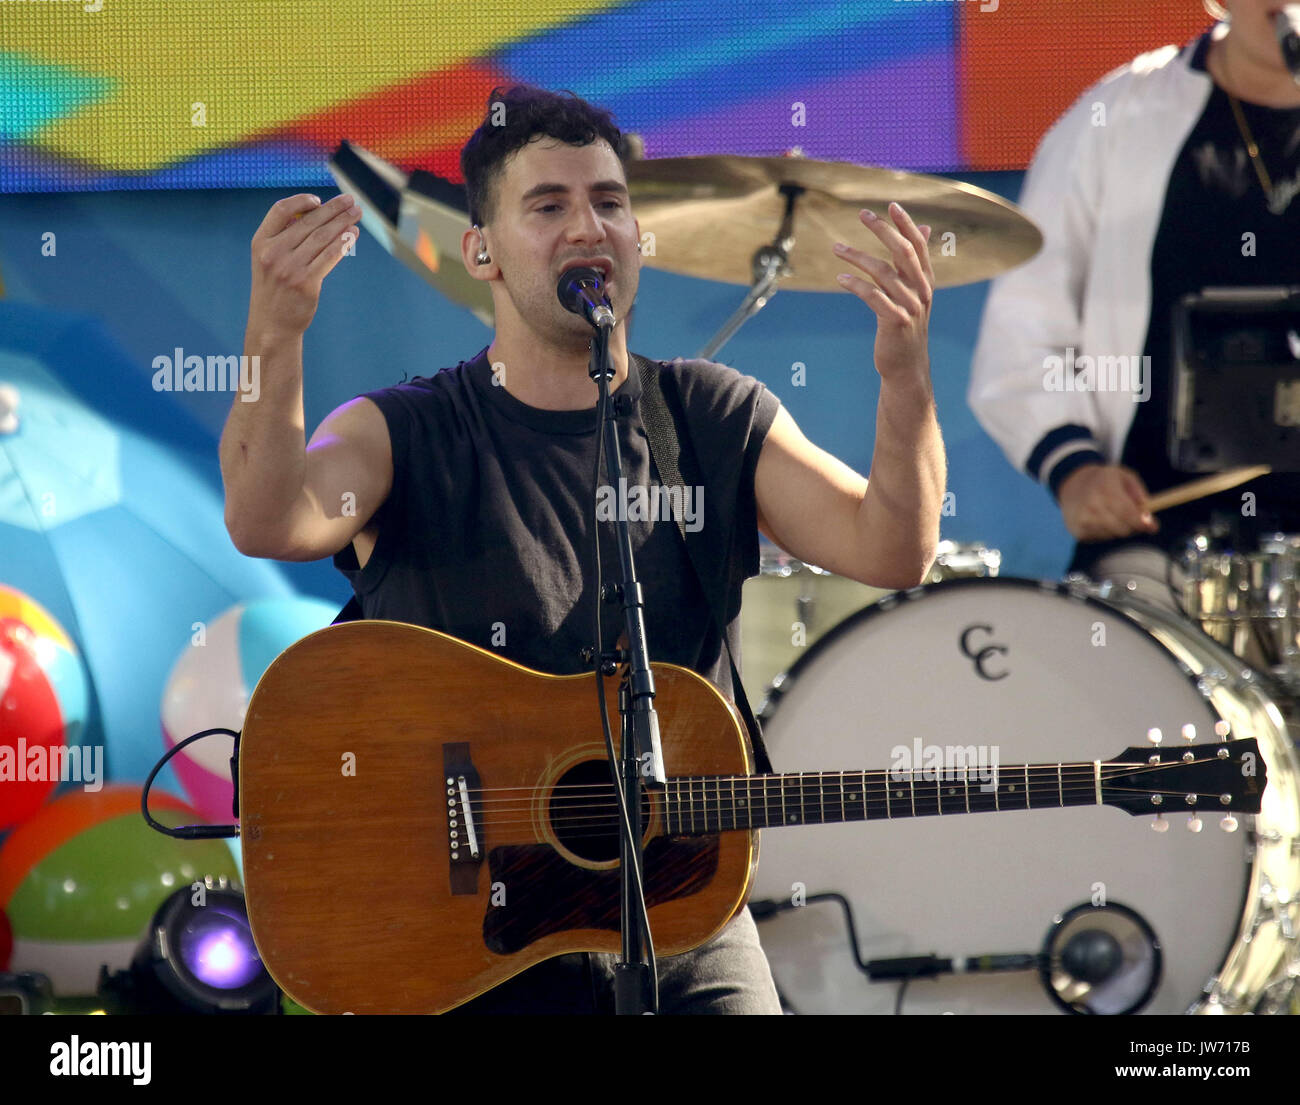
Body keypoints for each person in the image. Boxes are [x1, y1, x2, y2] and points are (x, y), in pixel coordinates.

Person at [220, 84, 945, 1014]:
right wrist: (273, 335)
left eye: (609, 202)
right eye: (549, 205)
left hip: (683, 907)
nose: (588, 227)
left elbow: (893, 547)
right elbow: (266, 517)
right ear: (478, 248)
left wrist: (905, 376)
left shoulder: (708, 415)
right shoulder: (405, 431)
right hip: (460, 932)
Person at [969, 0, 1300, 612]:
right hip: (1159, 530)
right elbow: (1025, 324)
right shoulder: (1115, 116)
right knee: (1122, 656)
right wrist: (1074, 468)